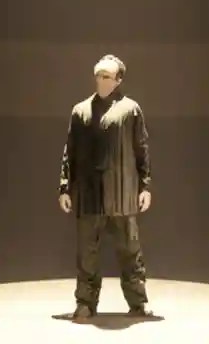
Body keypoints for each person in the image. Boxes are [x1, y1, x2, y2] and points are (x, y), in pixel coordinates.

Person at [57, 54, 153, 321]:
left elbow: (141, 149)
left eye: (107, 76)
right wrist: (64, 188)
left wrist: (145, 186)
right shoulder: (80, 111)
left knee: (130, 252)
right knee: (87, 253)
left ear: (118, 80)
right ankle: (85, 302)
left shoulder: (131, 110)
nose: (101, 80)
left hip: (123, 194)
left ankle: (137, 303)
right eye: (98, 75)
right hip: (89, 195)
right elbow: (70, 151)